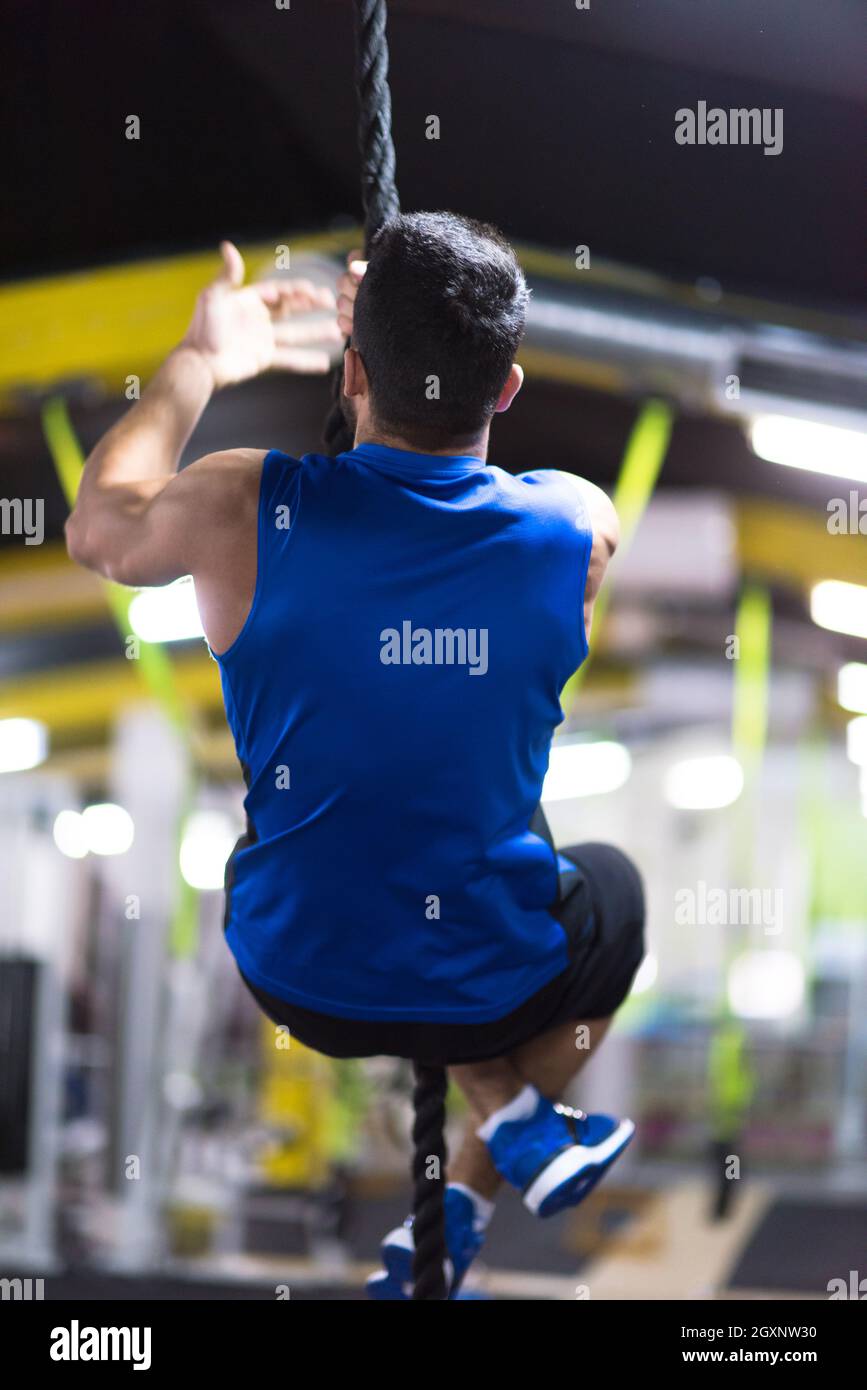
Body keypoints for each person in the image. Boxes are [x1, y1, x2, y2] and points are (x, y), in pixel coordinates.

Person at [66, 212, 645, 1299]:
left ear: (352, 365)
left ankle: (509, 1127)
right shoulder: (576, 531)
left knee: (358, 813)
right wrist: (404, 358)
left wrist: (202, 360)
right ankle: (491, 1156)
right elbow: (480, 497)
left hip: (296, 976)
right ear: (509, 388)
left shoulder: (246, 501)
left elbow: (98, 527)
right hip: (492, 987)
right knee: (590, 878)